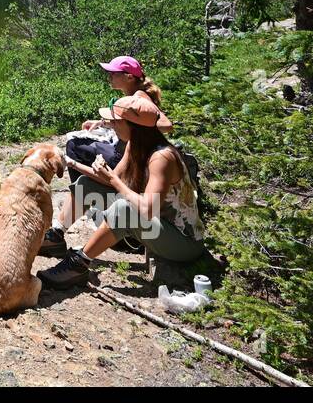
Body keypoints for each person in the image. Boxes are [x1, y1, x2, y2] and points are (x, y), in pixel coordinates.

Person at [38, 94, 204, 289]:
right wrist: (76, 164)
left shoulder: (162, 157)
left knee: (124, 208)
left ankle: (79, 263)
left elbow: (147, 209)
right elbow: (111, 180)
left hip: (183, 242)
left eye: (116, 122)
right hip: (156, 226)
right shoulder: (134, 145)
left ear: (133, 126)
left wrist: (114, 181)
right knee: (86, 185)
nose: (111, 125)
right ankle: (56, 237)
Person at [40, 56, 167, 255]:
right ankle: (66, 224)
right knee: (80, 160)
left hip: (126, 162)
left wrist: (142, 125)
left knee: (75, 146)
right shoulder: (133, 97)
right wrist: (106, 123)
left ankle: (88, 208)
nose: (109, 76)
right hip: (124, 155)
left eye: (113, 73)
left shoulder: (140, 97)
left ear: (128, 77)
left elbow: (166, 124)